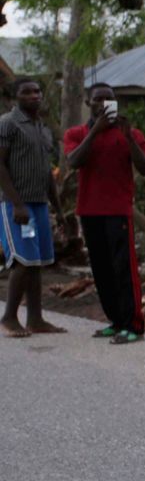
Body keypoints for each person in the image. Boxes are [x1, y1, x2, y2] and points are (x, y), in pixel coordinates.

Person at [63, 83, 145, 344]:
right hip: (89, 210)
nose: (102, 103)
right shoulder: (77, 133)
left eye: (108, 99)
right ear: (88, 103)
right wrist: (95, 132)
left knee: (123, 268)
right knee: (101, 270)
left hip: (118, 210)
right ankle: (115, 321)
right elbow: (73, 162)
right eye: (97, 99)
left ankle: (133, 326)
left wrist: (126, 137)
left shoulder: (131, 133)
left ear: (115, 103)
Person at [0, 78, 65, 338]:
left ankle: (35, 318)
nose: (34, 95)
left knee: (37, 262)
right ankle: (9, 318)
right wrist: (16, 203)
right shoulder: (8, 124)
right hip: (17, 205)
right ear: (15, 97)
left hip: (39, 204)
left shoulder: (42, 127)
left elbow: (48, 172)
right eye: (26, 92)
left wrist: (58, 209)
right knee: (23, 261)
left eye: (37, 91)